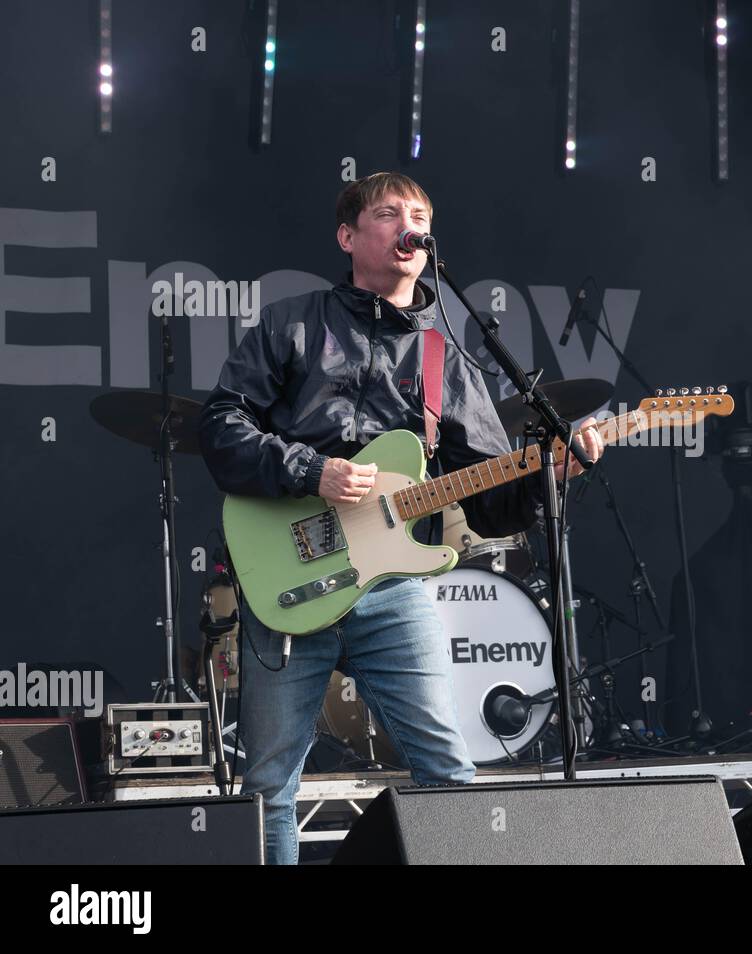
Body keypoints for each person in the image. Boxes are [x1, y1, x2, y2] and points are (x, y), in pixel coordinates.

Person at [198, 171, 604, 864]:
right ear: (349, 237)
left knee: (450, 773)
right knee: (269, 788)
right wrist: (310, 470)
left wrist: (546, 476)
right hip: (288, 572)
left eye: (419, 215)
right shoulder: (291, 324)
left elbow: (491, 504)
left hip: (392, 589)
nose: (408, 225)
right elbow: (219, 426)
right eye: (389, 214)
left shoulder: (449, 356)